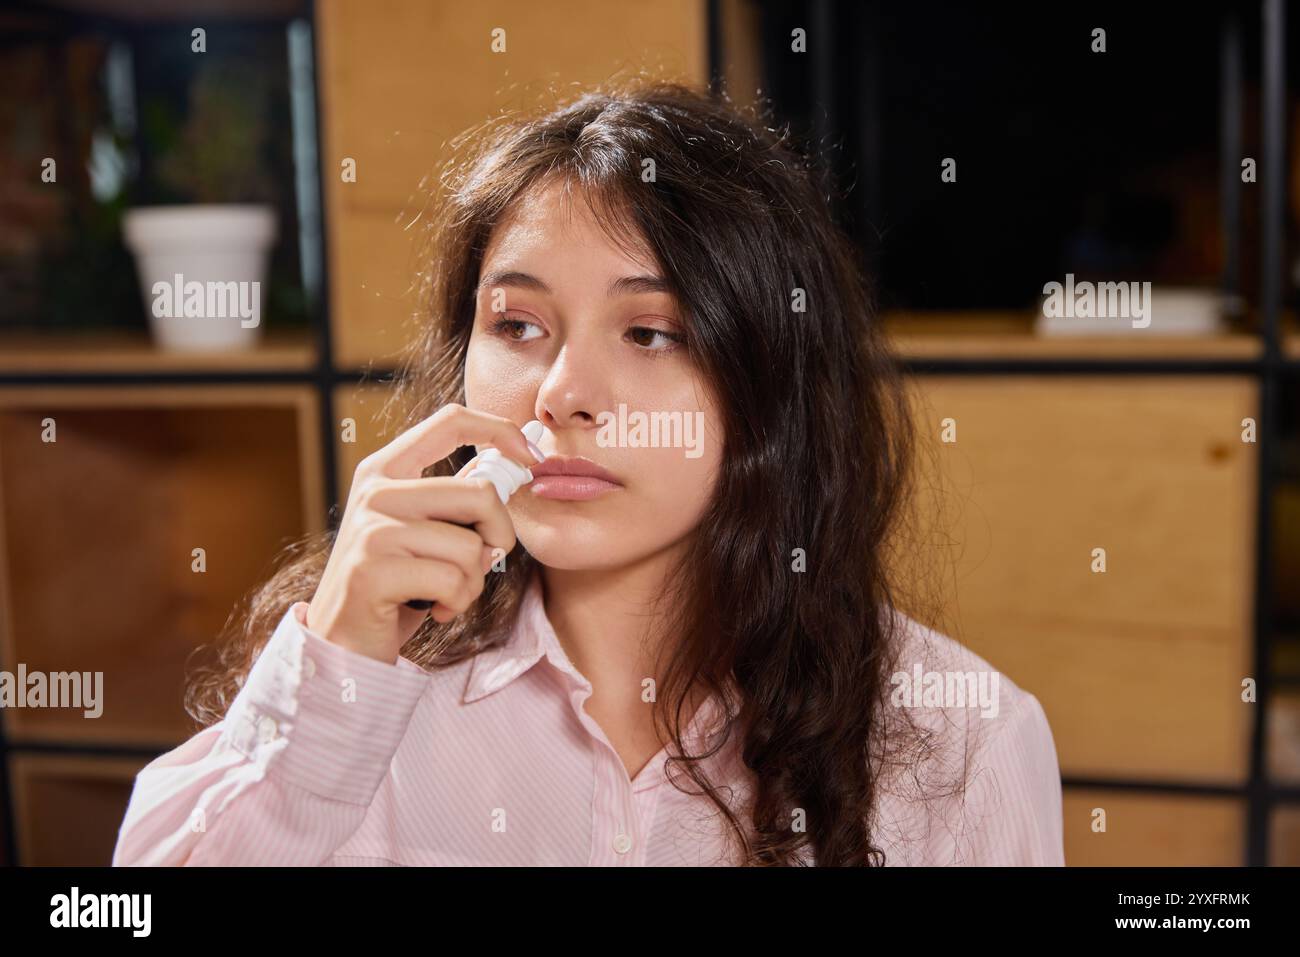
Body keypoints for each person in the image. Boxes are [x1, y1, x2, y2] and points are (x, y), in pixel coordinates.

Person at [112, 79, 1063, 866]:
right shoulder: (354, 678)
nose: (562, 394)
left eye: (650, 332)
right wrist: (335, 672)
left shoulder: (962, 737)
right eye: (517, 327)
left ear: (773, 379)